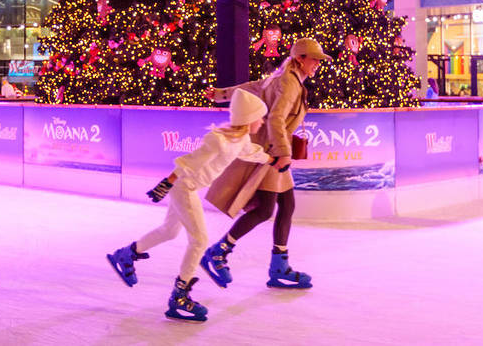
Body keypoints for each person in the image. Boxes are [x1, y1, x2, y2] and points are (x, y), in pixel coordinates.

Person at [106, 89, 271, 322]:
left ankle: (126, 254)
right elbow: (191, 162)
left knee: (169, 231)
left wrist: (271, 159)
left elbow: (250, 152)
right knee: (200, 240)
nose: (262, 122)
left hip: (187, 188)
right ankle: (179, 296)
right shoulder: (218, 140)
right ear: (248, 118)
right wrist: (167, 183)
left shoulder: (240, 139)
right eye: (259, 117)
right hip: (185, 187)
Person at [203, 37, 330, 290]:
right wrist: (283, 153)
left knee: (285, 205)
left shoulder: (281, 77)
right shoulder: (289, 82)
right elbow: (276, 118)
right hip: (273, 151)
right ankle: (219, 252)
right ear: (300, 59)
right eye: (314, 59)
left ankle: (277, 266)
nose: (317, 63)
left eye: (319, 60)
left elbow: (249, 88)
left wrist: (221, 94)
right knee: (265, 210)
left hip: (272, 149)